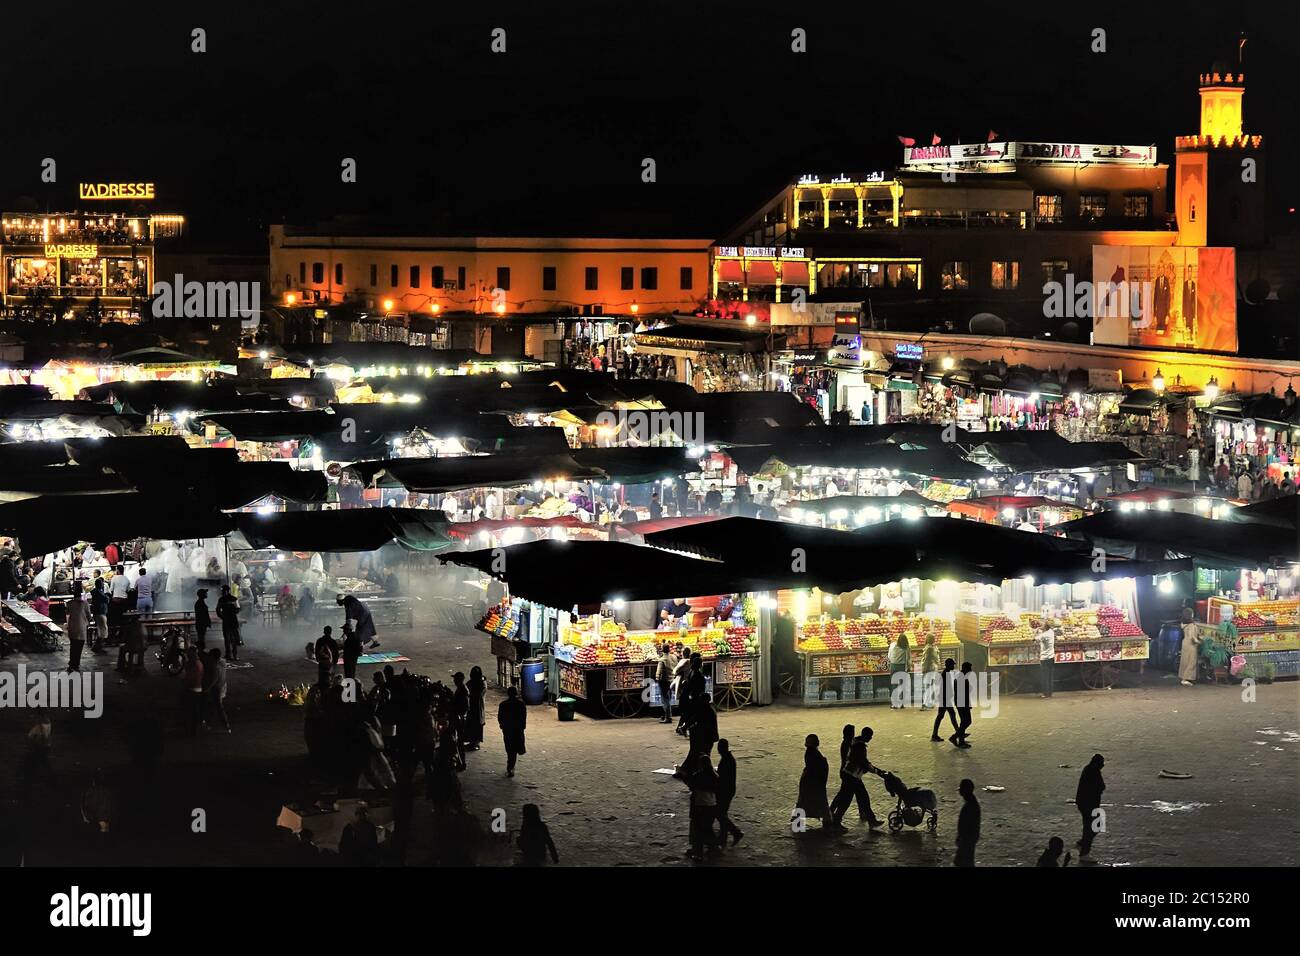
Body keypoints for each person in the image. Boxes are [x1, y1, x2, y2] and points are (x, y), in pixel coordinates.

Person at [796, 734, 833, 831]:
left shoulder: (810, 753)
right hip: (813, 782)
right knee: (821, 801)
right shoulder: (813, 753)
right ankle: (827, 822)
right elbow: (816, 768)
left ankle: (797, 823)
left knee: (803, 801)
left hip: (808, 781)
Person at [685, 755, 719, 861]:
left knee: (697, 829)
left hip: (699, 805)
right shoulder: (715, 776)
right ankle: (712, 847)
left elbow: (691, 786)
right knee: (708, 828)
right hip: (711, 805)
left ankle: (698, 853)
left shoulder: (697, 776)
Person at [1075, 754, 1106, 858]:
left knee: (1090, 827)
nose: (1103, 765)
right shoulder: (1093, 773)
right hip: (1089, 805)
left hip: (1085, 804)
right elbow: (1100, 786)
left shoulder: (1089, 770)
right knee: (1092, 828)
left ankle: (1083, 842)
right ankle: (1084, 851)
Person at [715, 738, 743, 847]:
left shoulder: (726, 760)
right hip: (728, 790)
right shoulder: (728, 759)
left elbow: (722, 778)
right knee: (722, 813)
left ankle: (735, 832)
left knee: (720, 814)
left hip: (725, 790)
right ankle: (723, 838)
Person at [497, 686, 527, 777]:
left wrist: (503, 726)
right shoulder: (521, 704)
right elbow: (523, 718)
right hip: (517, 729)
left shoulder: (503, 704)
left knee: (510, 749)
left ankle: (510, 767)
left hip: (508, 729)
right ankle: (510, 767)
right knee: (514, 749)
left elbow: (500, 718)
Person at [931, 658, 960, 741]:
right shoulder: (946, 674)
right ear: (948, 665)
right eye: (952, 664)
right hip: (945, 698)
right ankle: (958, 733)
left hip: (944, 698)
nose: (953, 666)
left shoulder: (946, 673)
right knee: (950, 715)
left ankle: (935, 735)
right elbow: (945, 687)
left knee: (941, 716)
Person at [180, 647, 205, 736]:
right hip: (197, 689)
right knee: (193, 711)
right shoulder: (198, 663)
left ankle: (191, 729)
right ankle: (193, 729)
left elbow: (190, 678)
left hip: (192, 690)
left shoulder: (194, 664)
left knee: (190, 710)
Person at [955, 778, 980, 867]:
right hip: (969, 839)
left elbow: (967, 825)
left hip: (967, 840)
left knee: (962, 862)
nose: (960, 791)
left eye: (961, 789)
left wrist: (962, 838)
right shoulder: (972, 803)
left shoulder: (969, 806)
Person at [205, 648, 231, 732]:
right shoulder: (222, 662)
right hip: (222, 686)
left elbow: (214, 679)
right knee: (213, 706)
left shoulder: (216, 666)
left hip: (217, 689)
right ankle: (208, 723)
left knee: (218, 707)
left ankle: (226, 725)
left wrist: (207, 688)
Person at [65, 588, 89, 673]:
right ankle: (76, 665)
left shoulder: (69, 603)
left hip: (72, 628)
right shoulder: (85, 603)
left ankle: (71, 664)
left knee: (73, 647)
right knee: (79, 648)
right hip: (81, 628)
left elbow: (67, 614)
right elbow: (88, 615)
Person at [1178, 608, 1203, 686]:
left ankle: (1183, 677)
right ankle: (1185, 679)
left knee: (1185, 661)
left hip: (1185, 643)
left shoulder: (1184, 624)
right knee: (1191, 662)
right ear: (1191, 615)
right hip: (1190, 644)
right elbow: (1192, 637)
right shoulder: (1191, 625)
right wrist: (1199, 642)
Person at [953, 660, 975, 747]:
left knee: (965, 721)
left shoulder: (961, 676)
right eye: (969, 668)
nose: (971, 670)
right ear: (966, 668)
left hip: (962, 701)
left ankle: (959, 738)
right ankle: (958, 739)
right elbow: (965, 690)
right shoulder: (961, 677)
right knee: (966, 721)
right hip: (962, 702)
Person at [1033, 616, 1056, 698]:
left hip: (1045, 659)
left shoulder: (1044, 635)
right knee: (1050, 676)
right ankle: (1050, 693)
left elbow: (1035, 639)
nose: (1040, 626)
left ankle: (1045, 694)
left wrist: (1035, 631)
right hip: (1051, 657)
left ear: (1045, 627)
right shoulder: (1051, 632)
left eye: (1042, 625)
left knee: (1045, 677)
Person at [216, 585, 240, 661]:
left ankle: (230, 654)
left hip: (228, 620)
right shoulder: (233, 599)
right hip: (232, 620)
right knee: (230, 638)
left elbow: (218, 609)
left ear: (227, 591)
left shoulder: (221, 599)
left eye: (224, 591)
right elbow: (238, 609)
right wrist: (231, 613)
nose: (223, 592)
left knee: (229, 638)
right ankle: (232, 655)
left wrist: (223, 616)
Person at [466, 666, 487, 751]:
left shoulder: (481, 684)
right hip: (472, 707)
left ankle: (476, 743)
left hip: (477, 707)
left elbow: (478, 695)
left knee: (477, 724)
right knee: (472, 724)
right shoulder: (474, 683)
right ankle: (472, 741)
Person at [887, 632, 910, 707]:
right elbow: (908, 659)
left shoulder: (893, 645)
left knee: (894, 684)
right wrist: (908, 667)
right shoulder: (906, 647)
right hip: (902, 667)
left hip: (893, 666)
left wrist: (893, 661)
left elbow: (889, 656)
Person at [655, 642, 676, 724]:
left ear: (662, 650)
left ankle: (668, 717)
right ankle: (666, 714)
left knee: (665, 699)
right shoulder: (674, 657)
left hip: (664, 681)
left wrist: (657, 679)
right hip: (672, 680)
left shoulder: (662, 660)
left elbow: (658, 672)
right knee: (669, 697)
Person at [314, 626, 338, 691]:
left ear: (324, 632)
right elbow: (336, 653)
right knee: (330, 679)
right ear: (331, 632)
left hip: (322, 663)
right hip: (330, 663)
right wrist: (335, 662)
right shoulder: (333, 641)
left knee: (322, 678)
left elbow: (316, 651)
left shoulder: (319, 641)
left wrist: (318, 660)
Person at [90, 577, 109, 655]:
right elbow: (106, 599)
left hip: (97, 613)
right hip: (100, 612)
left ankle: (97, 647)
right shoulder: (99, 592)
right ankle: (98, 647)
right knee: (103, 630)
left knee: (101, 629)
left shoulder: (95, 592)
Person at [919, 634, 939, 709]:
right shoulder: (934, 647)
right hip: (933, 669)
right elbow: (936, 659)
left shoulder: (929, 648)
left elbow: (927, 660)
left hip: (929, 669)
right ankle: (929, 702)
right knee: (930, 686)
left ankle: (925, 704)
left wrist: (924, 669)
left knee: (927, 686)